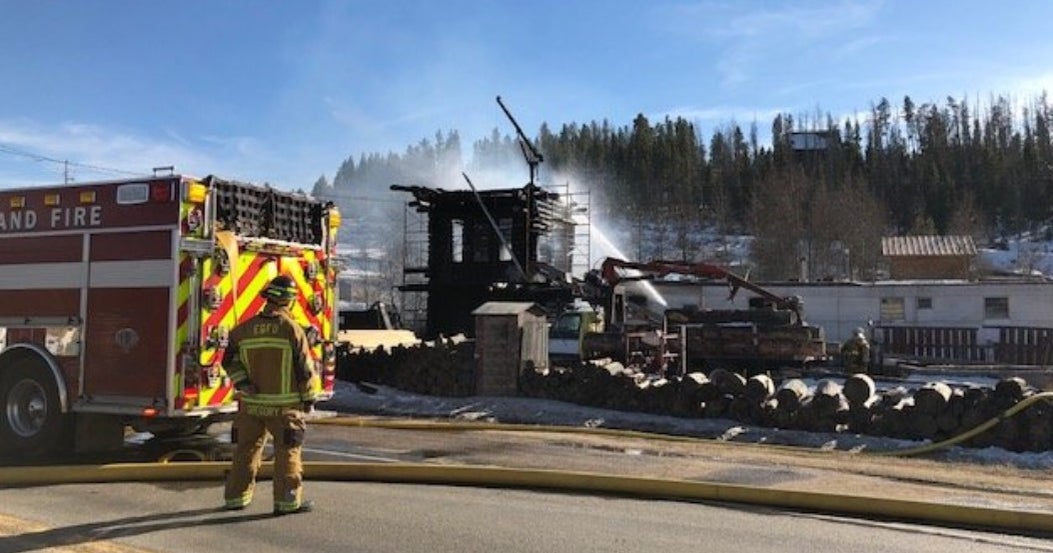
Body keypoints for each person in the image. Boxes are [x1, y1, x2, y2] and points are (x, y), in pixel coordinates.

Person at [222, 274, 318, 516]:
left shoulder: (242, 330)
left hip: (251, 406)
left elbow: (229, 363)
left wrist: (244, 384)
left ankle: (236, 498)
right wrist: (308, 400)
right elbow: (305, 370)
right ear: (289, 301)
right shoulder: (292, 330)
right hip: (285, 409)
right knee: (287, 452)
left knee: (246, 450)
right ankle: (287, 502)